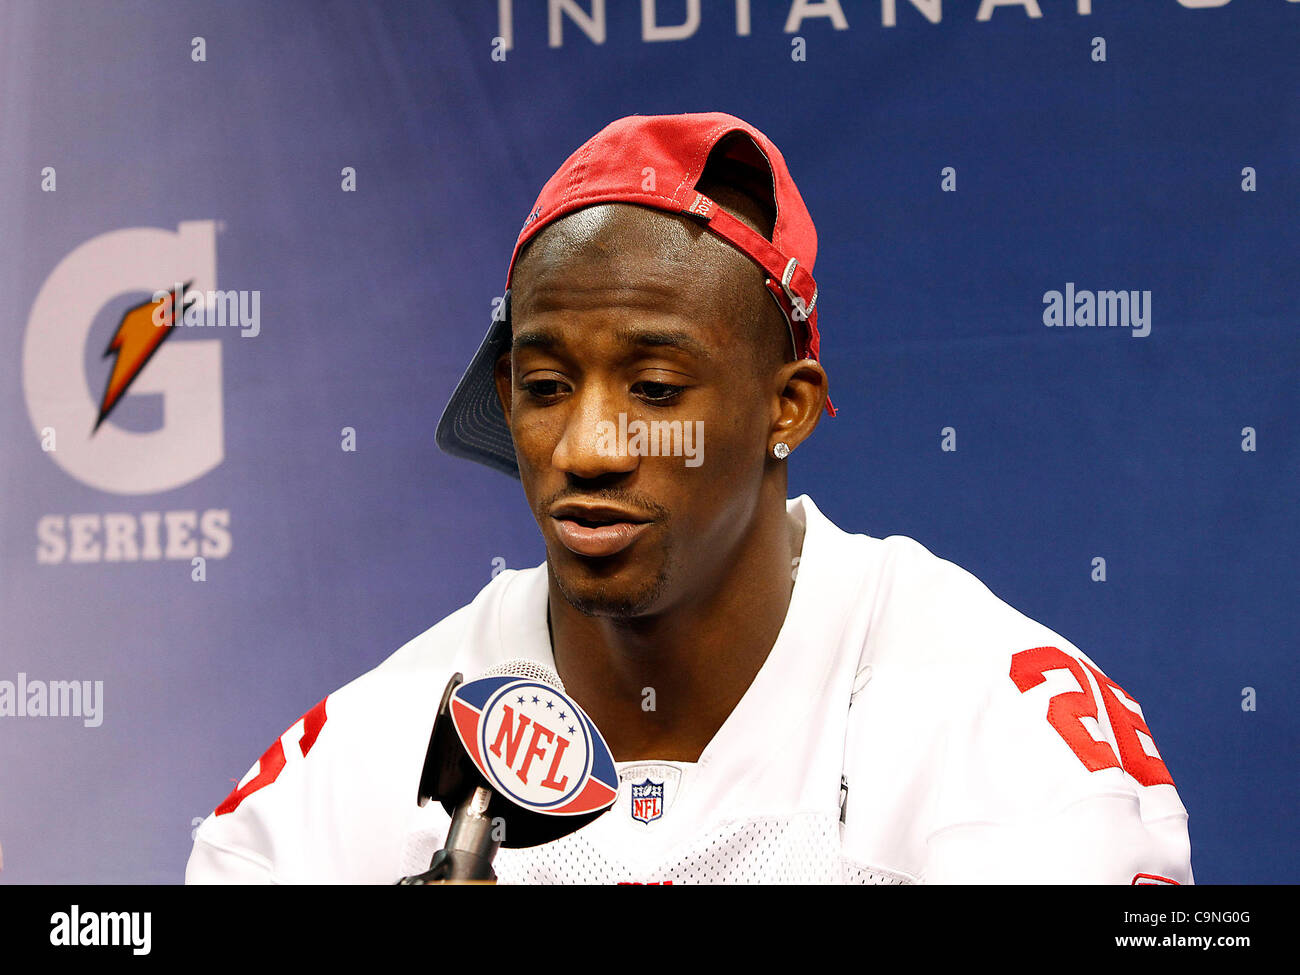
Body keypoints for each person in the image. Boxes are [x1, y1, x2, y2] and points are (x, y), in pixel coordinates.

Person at [186, 112, 1192, 884]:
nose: (585, 449)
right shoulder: (362, 757)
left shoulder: (990, 713)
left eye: (654, 389)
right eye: (543, 390)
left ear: (786, 410)